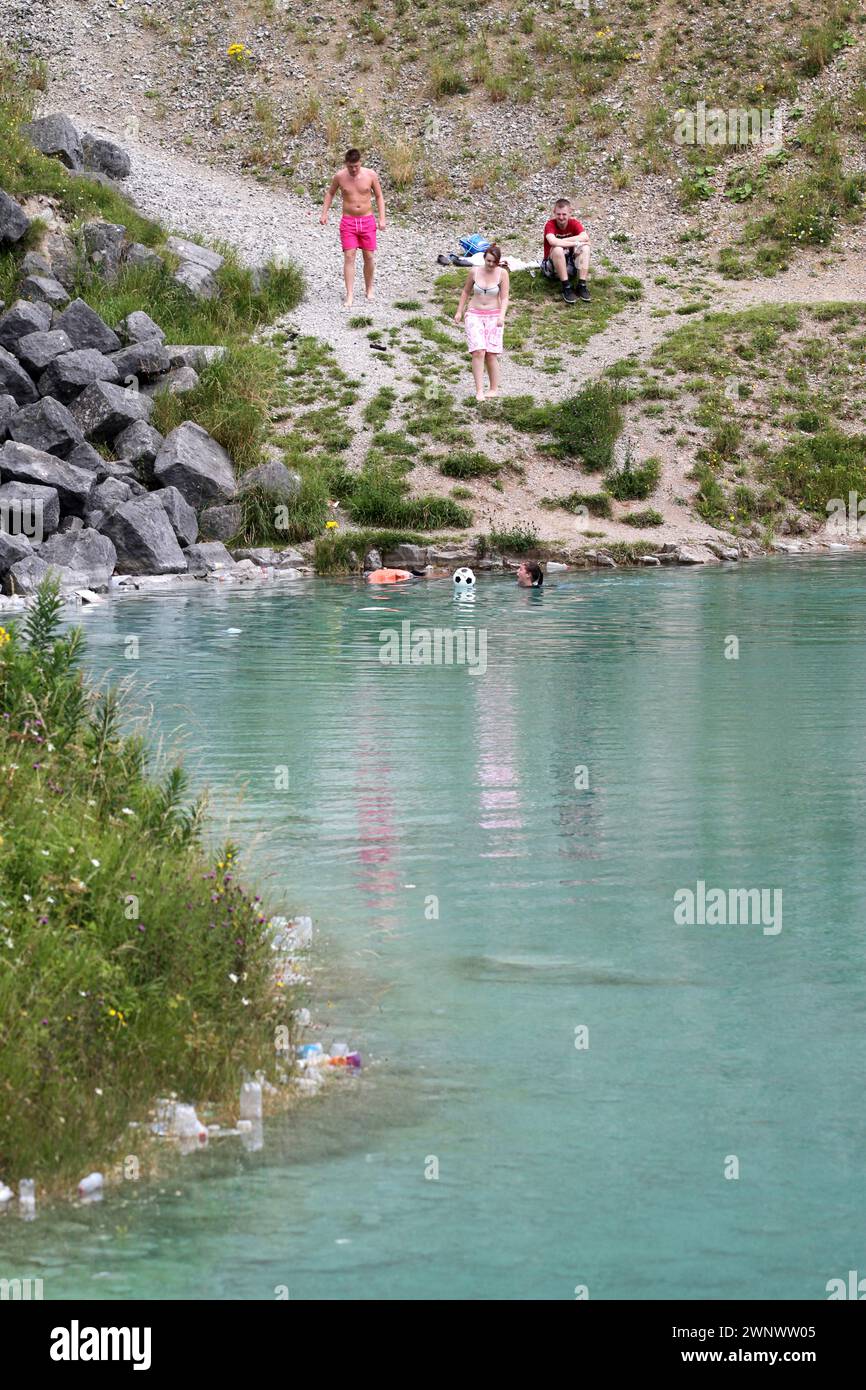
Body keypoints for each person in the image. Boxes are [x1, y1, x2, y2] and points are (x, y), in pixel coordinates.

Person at [319, 149, 386, 308]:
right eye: (350, 167)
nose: (353, 169)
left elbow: (379, 196)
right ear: (346, 164)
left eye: (356, 166)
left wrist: (382, 218)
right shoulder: (340, 177)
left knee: (368, 256)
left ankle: (369, 287)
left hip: (367, 220)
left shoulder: (371, 175)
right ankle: (349, 294)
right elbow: (330, 193)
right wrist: (324, 213)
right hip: (348, 221)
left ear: (360, 163)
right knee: (349, 256)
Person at [454, 244, 510, 402]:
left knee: (491, 353)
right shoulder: (474, 271)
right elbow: (465, 291)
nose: (491, 264)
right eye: (488, 261)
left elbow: (505, 297)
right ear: (484, 259)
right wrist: (459, 311)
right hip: (474, 313)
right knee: (478, 351)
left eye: (494, 262)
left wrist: (502, 316)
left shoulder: (503, 274)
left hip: (494, 314)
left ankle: (493, 388)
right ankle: (479, 390)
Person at [542, 198, 591, 304]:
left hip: (569, 263)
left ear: (570, 213)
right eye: (558, 214)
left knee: (585, 248)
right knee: (558, 249)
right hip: (551, 267)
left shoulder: (574, 223)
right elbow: (552, 241)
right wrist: (575, 243)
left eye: (564, 214)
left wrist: (560, 241)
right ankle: (566, 286)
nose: (561, 217)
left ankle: (582, 285)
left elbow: (585, 237)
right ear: (554, 213)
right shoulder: (550, 224)